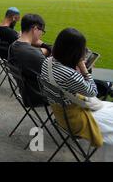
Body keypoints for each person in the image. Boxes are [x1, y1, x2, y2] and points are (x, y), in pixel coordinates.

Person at [40, 28, 113, 162]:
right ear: (75, 51)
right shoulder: (70, 74)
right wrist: (84, 70)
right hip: (75, 119)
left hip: (60, 114)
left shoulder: (48, 61)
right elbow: (93, 91)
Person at [8, 14, 51, 108]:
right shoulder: (32, 54)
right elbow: (53, 77)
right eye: (42, 31)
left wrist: (42, 45)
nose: (41, 35)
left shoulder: (14, 46)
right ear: (35, 29)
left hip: (27, 93)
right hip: (40, 96)